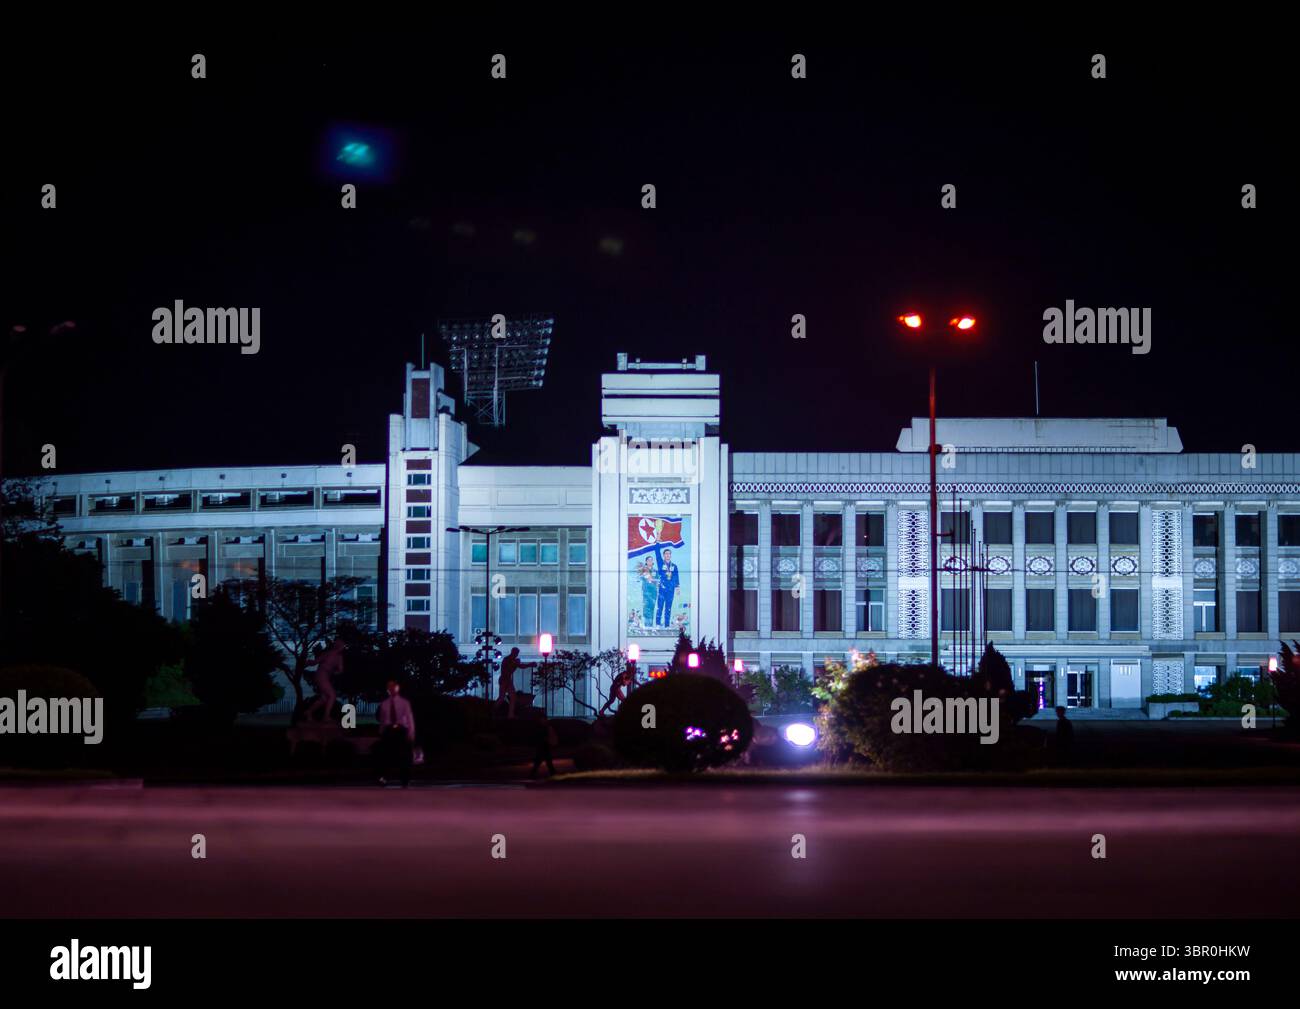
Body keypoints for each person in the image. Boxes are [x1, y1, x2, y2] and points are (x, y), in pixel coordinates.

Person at [375, 679, 416, 786]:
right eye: (389, 687)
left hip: (401, 730)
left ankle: (405, 780)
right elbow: (383, 720)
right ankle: (383, 779)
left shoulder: (404, 703)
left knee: (404, 756)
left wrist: (411, 732)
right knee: (385, 756)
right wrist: (381, 732)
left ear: (398, 688)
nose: (392, 689)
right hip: (389, 731)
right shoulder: (384, 704)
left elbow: (409, 717)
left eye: (394, 686)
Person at [305, 638, 345, 722]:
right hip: (321, 675)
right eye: (341, 645)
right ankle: (326, 716)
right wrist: (307, 662)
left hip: (325, 676)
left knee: (324, 698)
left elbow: (340, 670)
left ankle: (309, 712)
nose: (342, 647)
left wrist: (333, 672)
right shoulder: (329, 653)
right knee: (332, 695)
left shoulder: (339, 657)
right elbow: (315, 662)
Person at [498, 647, 536, 719]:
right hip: (505, 680)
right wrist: (517, 663)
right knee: (502, 697)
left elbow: (520, 666)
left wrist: (528, 664)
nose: (517, 655)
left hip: (507, 680)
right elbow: (507, 670)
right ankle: (495, 711)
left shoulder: (512, 660)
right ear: (513, 652)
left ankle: (510, 714)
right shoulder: (508, 660)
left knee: (512, 698)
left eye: (517, 654)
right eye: (516, 653)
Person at [653, 545, 680, 627]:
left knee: (668, 608)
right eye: (666, 554)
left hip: (671, 590)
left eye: (669, 554)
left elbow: (676, 577)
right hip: (662, 588)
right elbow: (657, 553)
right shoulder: (661, 563)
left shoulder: (674, 566)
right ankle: (658, 624)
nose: (668, 555)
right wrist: (657, 542)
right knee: (660, 607)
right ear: (664, 555)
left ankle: (667, 625)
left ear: (670, 555)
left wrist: (677, 587)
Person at [638, 556, 658, 627]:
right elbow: (640, 578)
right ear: (646, 562)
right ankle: (646, 626)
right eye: (648, 560)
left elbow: (657, 580)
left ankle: (650, 625)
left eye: (651, 560)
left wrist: (653, 581)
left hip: (654, 592)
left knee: (652, 608)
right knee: (646, 608)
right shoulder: (643, 570)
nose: (650, 561)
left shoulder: (655, 571)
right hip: (646, 592)